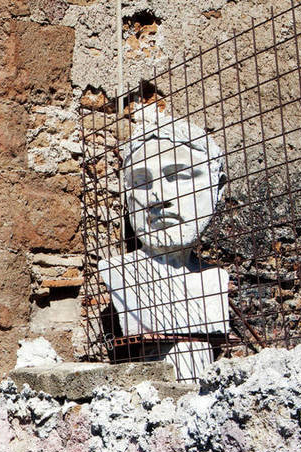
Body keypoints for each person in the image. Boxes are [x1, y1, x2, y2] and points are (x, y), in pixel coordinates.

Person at [98, 106, 231, 380]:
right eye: (141, 182)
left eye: (178, 176)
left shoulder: (216, 279)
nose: (158, 196)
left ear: (217, 189)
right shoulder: (119, 274)